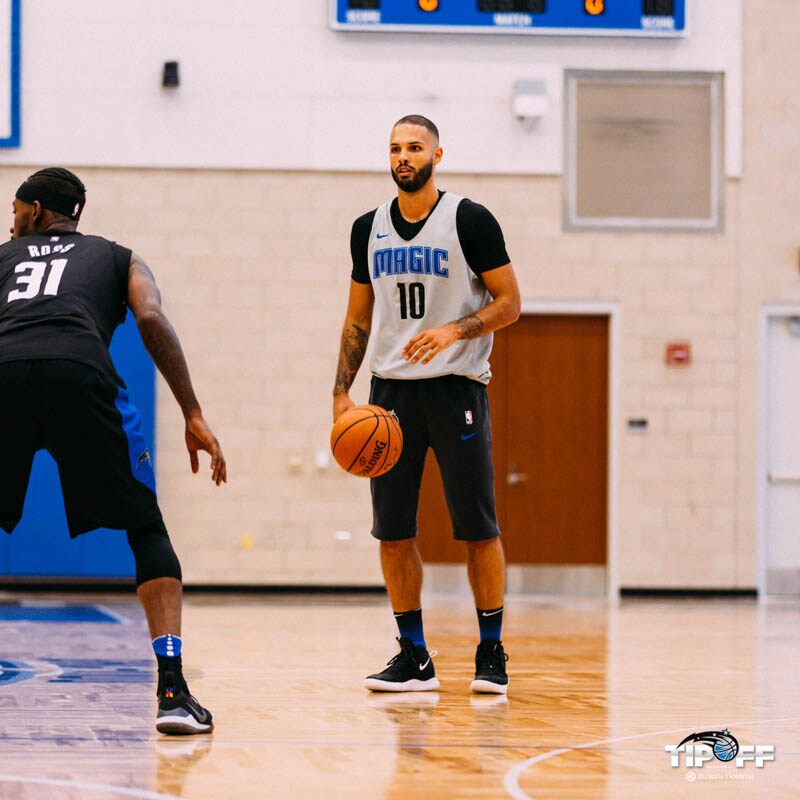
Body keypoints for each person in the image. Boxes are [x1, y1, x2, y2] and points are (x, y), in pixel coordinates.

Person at [0, 168, 226, 734]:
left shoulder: (4, 257)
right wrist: (192, 412)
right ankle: (172, 691)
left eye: (13, 211)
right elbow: (150, 317)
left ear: (34, 209)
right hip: (82, 374)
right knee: (145, 527)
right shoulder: (120, 256)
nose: (10, 223)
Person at [333, 115, 521, 694]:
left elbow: (510, 303)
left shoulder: (469, 219)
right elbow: (358, 317)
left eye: (414, 147)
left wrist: (454, 330)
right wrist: (341, 392)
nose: (403, 156)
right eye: (394, 147)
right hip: (389, 395)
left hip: (456, 387)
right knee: (392, 531)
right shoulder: (368, 228)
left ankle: (491, 651)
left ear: (439, 153)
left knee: (477, 527)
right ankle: (413, 656)